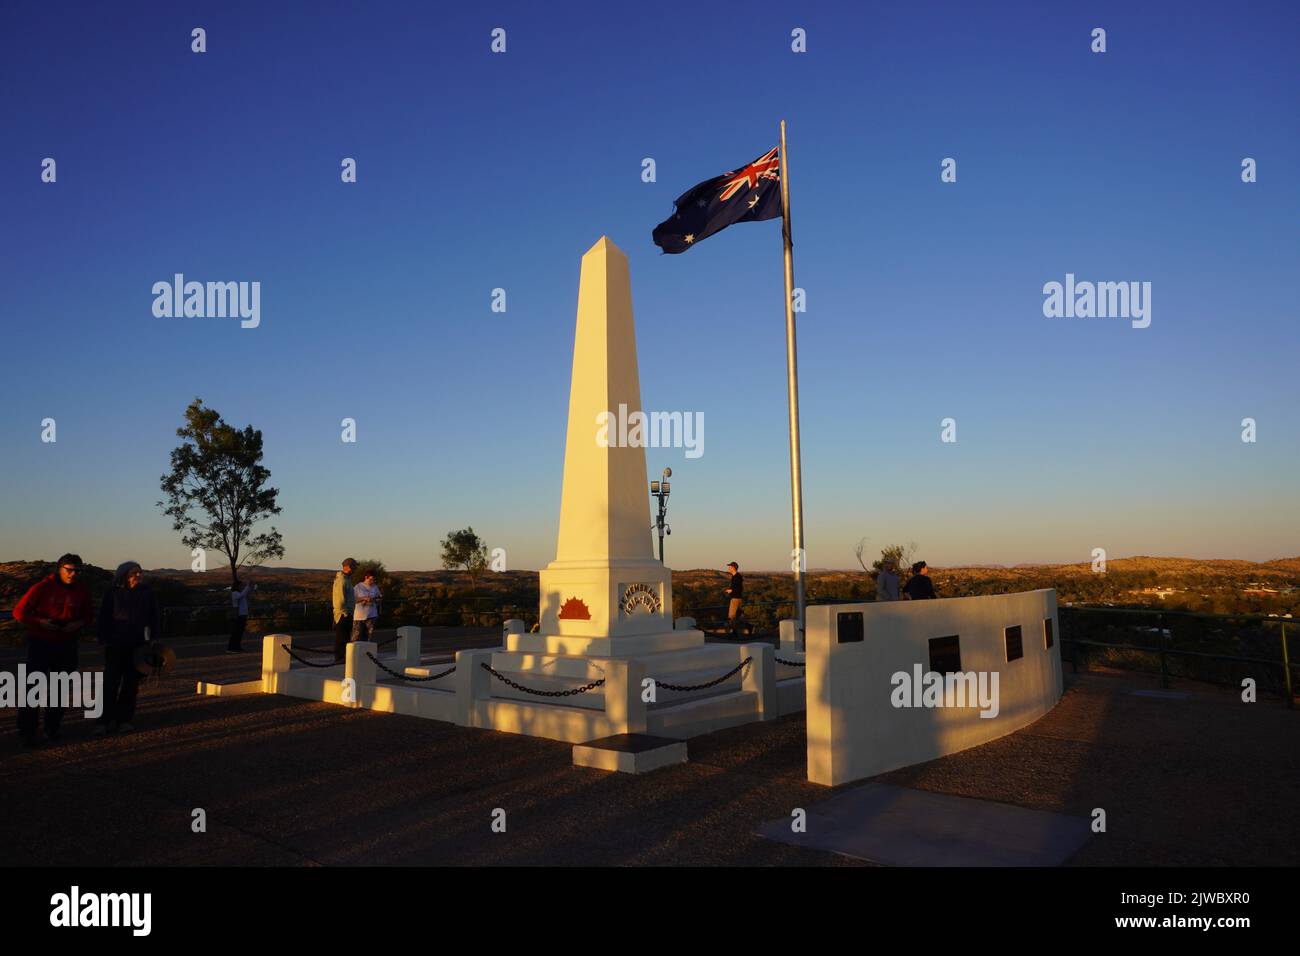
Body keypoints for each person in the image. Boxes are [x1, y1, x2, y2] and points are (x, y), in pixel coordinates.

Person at [13, 553, 94, 746]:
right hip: (41, 642)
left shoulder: (81, 590)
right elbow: (19, 612)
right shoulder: (41, 588)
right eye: (69, 570)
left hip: (67, 643)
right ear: (59, 568)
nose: (73, 574)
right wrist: (40, 622)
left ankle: (53, 728)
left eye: (77, 570)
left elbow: (88, 615)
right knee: (34, 687)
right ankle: (27, 730)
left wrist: (78, 623)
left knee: (61, 688)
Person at [95, 561, 161, 735]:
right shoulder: (113, 593)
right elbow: (103, 618)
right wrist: (102, 640)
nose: (138, 576)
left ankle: (124, 720)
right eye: (134, 573)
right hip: (116, 644)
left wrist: (153, 638)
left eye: (139, 572)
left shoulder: (147, 593)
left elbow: (153, 616)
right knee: (110, 683)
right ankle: (103, 720)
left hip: (138, 645)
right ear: (124, 575)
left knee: (131, 685)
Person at [332, 558, 357, 663]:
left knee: (345, 638)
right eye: (354, 566)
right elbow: (339, 601)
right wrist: (344, 613)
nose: (355, 569)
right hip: (343, 614)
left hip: (348, 613)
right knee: (341, 639)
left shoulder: (347, 580)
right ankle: (340, 658)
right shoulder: (342, 580)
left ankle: (343, 658)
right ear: (348, 567)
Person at [351, 569, 382, 642]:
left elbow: (379, 597)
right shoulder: (358, 587)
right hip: (359, 617)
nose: (373, 581)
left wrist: (377, 600)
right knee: (356, 637)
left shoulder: (375, 587)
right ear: (366, 577)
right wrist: (363, 599)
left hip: (372, 615)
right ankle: (353, 652)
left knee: (369, 637)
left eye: (374, 580)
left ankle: (366, 652)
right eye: (371, 579)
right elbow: (352, 600)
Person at [228, 577, 256, 653]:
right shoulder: (235, 593)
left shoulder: (239, 593)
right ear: (237, 586)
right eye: (241, 586)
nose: (242, 587)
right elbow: (242, 595)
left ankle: (236, 647)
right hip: (239, 615)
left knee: (239, 632)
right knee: (236, 632)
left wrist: (250, 586)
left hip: (242, 614)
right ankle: (231, 648)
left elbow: (246, 593)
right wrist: (247, 586)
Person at [724, 561, 744, 638]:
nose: (728, 568)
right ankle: (736, 632)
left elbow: (738, 588)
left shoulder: (736, 577)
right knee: (736, 617)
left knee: (731, 616)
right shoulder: (736, 576)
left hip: (735, 599)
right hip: (736, 598)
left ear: (733, 568)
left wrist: (730, 591)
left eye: (730, 567)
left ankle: (734, 634)